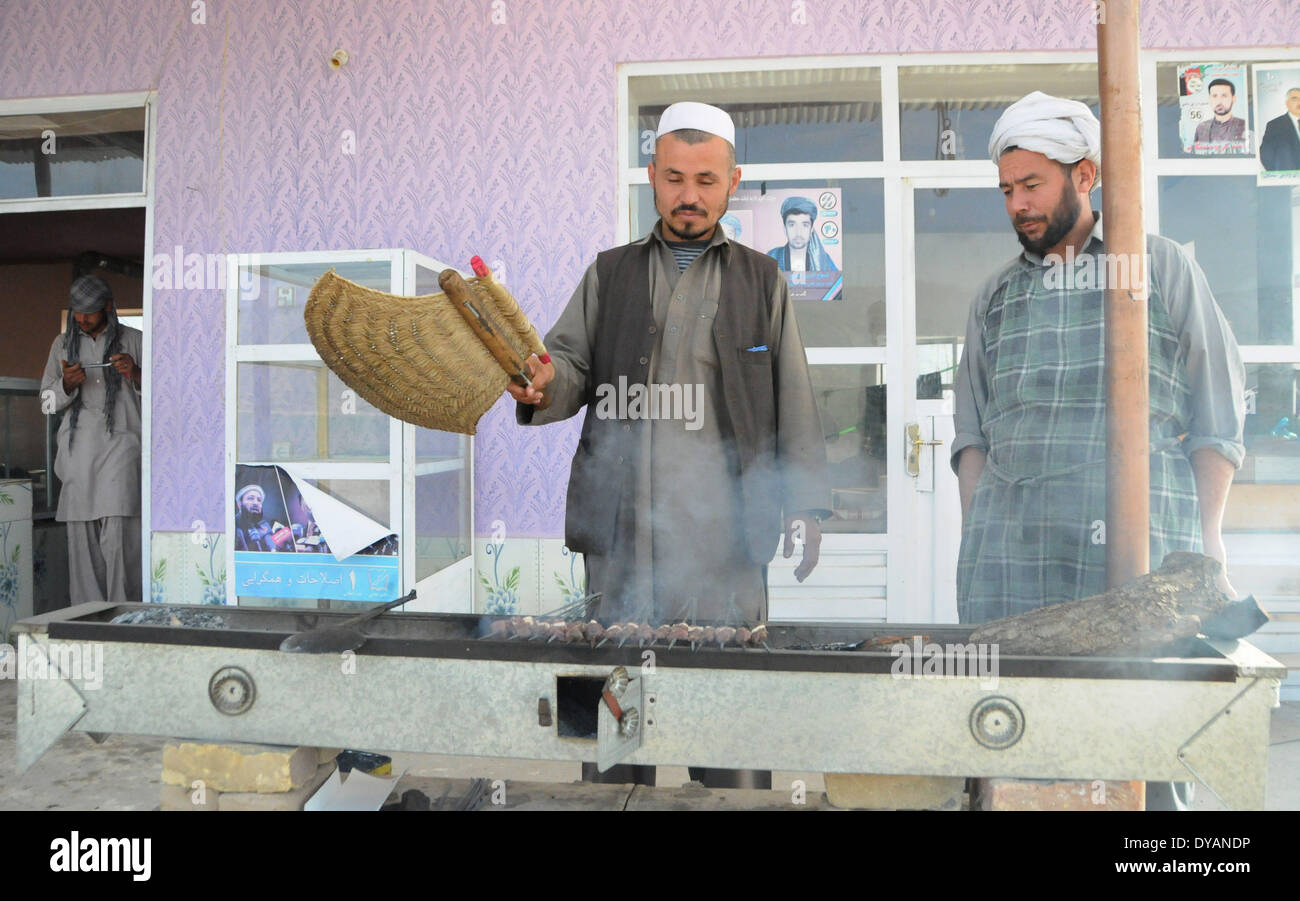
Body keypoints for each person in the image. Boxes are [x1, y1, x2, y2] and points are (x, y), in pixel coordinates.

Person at [511, 101, 831, 788]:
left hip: (728, 549)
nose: (691, 195)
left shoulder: (762, 280)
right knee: (611, 735)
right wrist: (542, 386)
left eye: (708, 180)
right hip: (623, 540)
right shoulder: (609, 273)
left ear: (733, 182)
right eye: (676, 177)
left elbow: (793, 395)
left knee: (732, 736)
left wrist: (804, 505)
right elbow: (567, 366)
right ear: (652, 177)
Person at [952, 92, 1246, 810]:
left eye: (1032, 186)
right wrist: (977, 541)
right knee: (1014, 757)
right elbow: (972, 437)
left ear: (1084, 176)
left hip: (1138, 567)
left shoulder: (1158, 267)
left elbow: (1218, 415)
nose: (1017, 204)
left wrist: (1205, 543)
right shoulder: (995, 298)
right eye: (1007, 190)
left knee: (1142, 759)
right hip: (1015, 578)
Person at [40, 274, 144, 605]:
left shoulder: (134, 341)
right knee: (82, 547)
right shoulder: (61, 345)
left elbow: (167, 397)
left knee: (120, 541)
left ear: (109, 308)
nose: (82, 319)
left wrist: (135, 373)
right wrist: (66, 385)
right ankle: (87, 619)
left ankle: (123, 619)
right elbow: (45, 403)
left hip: (122, 450)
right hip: (78, 456)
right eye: (77, 313)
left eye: (89, 312)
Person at [766, 196, 839, 275]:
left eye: (805, 225)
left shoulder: (823, 259)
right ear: (784, 228)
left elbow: (837, 285)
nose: (798, 233)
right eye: (792, 225)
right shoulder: (773, 256)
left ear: (811, 230)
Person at [1192, 78, 1246, 147]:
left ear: (1233, 99)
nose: (1219, 101)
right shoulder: (1201, 128)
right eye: (1214, 96)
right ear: (1210, 99)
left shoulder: (1245, 126)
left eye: (1224, 96)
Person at [233, 484, 289, 552]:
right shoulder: (233, 525)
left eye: (259, 500)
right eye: (250, 498)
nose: (256, 503)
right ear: (239, 504)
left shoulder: (264, 526)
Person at [1258, 87, 1300, 172]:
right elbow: (1266, 155)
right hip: (1287, 180)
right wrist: (1279, 175)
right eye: (1295, 99)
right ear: (1287, 103)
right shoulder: (1275, 125)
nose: (1299, 102)